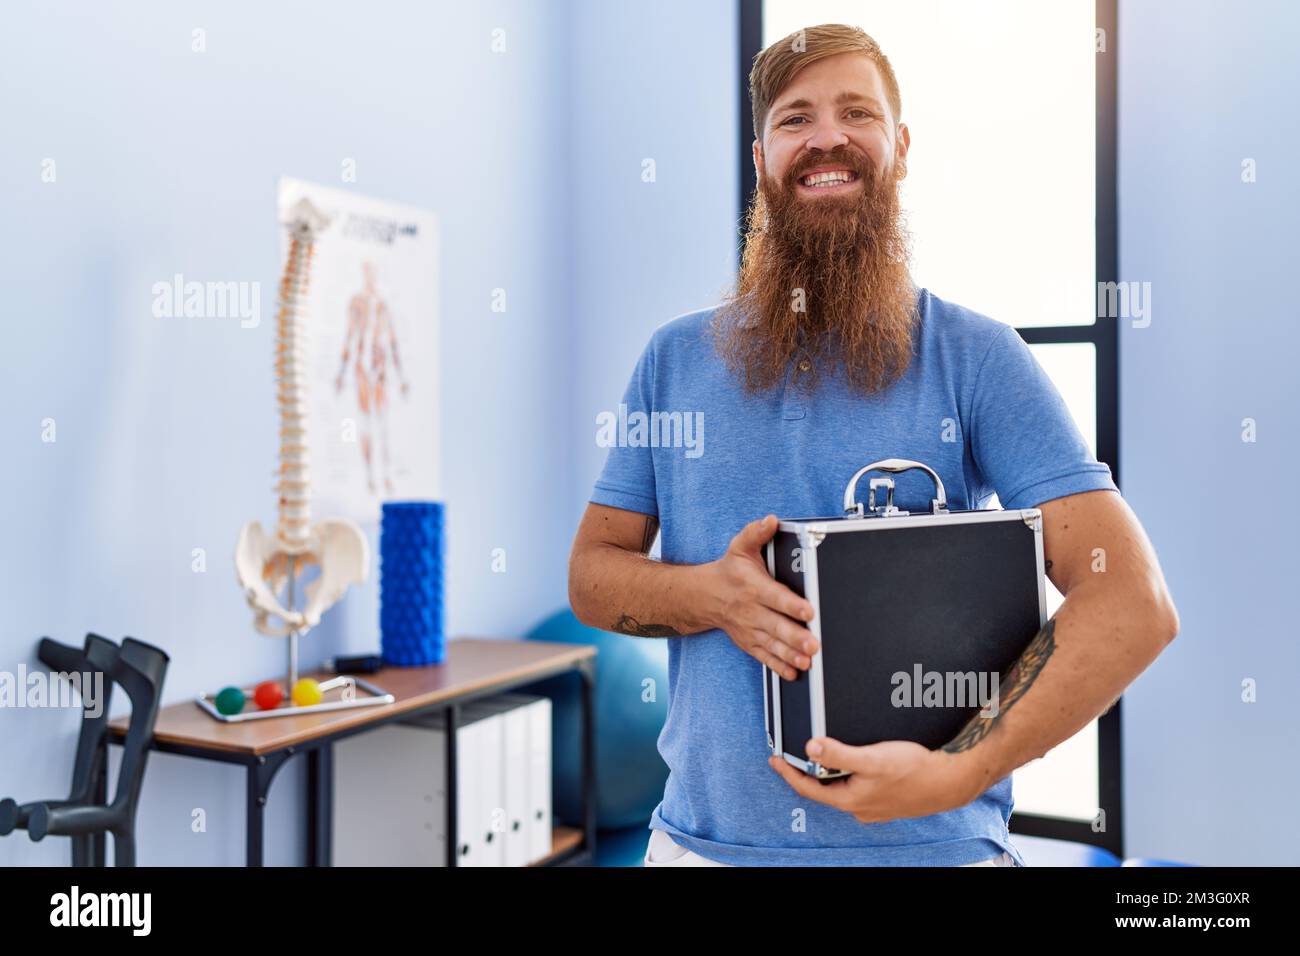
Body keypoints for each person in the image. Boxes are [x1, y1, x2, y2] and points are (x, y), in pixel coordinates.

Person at [567, 23, 1179, 867]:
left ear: (901, 148)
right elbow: (592, 577)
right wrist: (714, 596)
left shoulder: (978, 358)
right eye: (796, 119)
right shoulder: (673, 360)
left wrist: (963, 771)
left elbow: (1132, 602)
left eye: (857, 112)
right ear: (761, 160)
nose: (827, 137)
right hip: (700, 850)